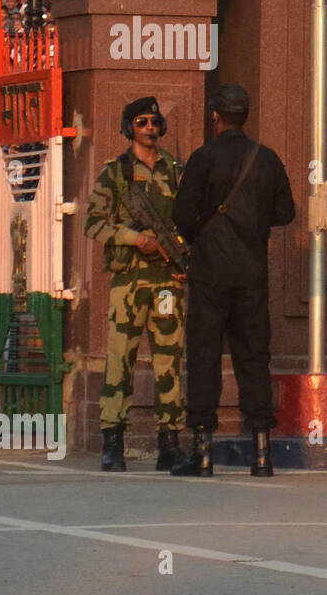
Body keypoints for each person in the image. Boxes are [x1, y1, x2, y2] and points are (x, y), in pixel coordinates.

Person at [171, 84, 295, 478]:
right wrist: (253, 224)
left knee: (204, 357)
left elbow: (182, 216)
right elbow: (286, 212)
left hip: (209, 273)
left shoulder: (203, 159)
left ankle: (203, 452)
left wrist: (203, 233)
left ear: (215, 115)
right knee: (254, 358)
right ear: (246, 115)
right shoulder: (268, 159)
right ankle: (262, 452)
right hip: (252, 274)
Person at [82, 97, 187, 472]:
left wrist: (177, 253)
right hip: (127, 280)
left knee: (168, 361)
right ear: (129, 127)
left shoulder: (176, 170)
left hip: (166, 281)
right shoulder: (115, 173)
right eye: (141, 122)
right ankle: (113, 442)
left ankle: (169, 443)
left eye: (155, 122)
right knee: (119, 360)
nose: (149, 128)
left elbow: (192, 220)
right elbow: (92, 224)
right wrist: (136, 239)